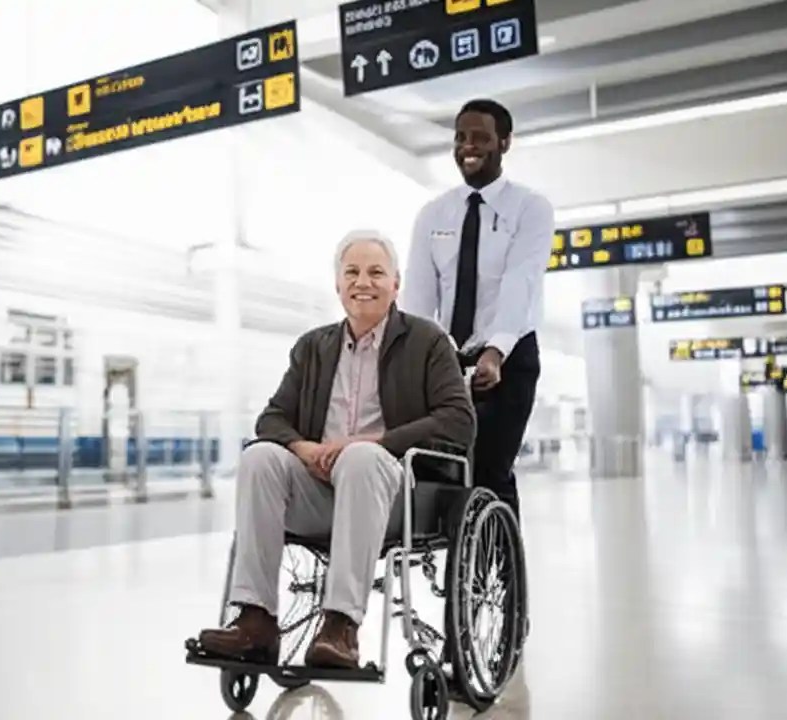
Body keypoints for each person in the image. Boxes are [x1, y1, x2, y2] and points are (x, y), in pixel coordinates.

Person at [196, 230, 476, 670]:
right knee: (259, 456)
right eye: (352, 272)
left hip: (394, 495)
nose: (363, 282)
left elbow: (459, 421)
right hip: (318, 490)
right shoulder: (313, 347)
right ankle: (255, 622)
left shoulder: (428, 341)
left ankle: (341, 626)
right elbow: (272, 418)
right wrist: (304, 448)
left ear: (396, 284)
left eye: (376, 272)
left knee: (361, 459)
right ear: (338, 285)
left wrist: (374, 442)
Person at [400, 98, 554, 519]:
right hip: (447, 358)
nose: (469, 146)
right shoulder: (434, 214)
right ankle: (457, 564)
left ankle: (504, 576)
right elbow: (417, 297)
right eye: (461, 137)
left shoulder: (530, 208)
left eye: (481, 138)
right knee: (438, 467)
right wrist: (413, 358)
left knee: (489, 467)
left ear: (504, 143)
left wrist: (495, 351)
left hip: (511, 353)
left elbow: (520, 282)